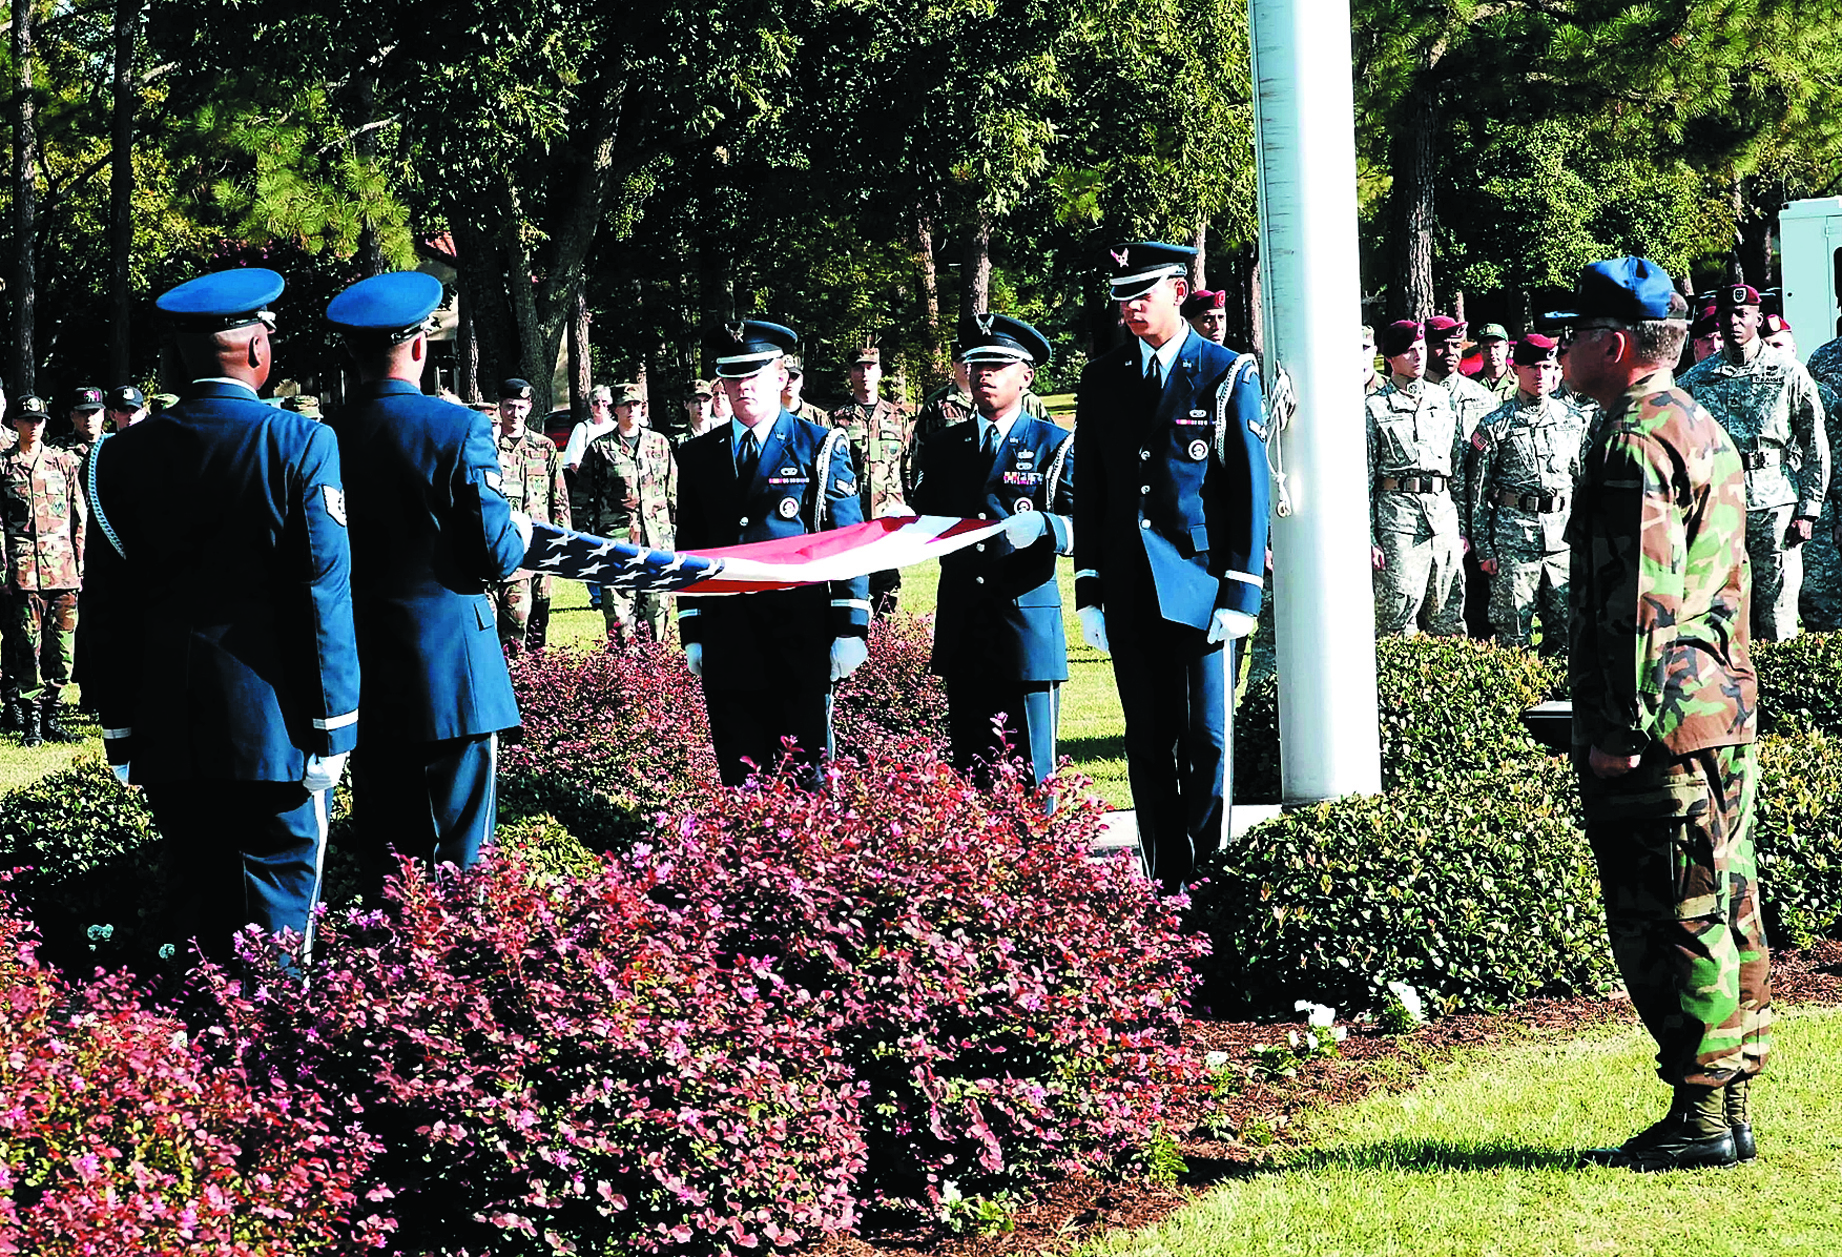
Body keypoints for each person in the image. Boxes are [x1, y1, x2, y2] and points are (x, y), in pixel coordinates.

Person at [83, 267, 359, 966]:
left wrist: (119, 729)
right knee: (277, 923)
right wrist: (335, 726)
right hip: (277, 727)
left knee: (194, 909)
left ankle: (191, 1036)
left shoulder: (116, 456)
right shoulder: (301, 443)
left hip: (167, 724)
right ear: (258, 349)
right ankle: (270, 1035)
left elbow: (107, 605)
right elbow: (322, 594)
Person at [1559, 256, 1768, 1173]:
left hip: (1663, 722)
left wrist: (1616, 730)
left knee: (1671, 911)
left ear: (1615, 344)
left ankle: (1703, 1114)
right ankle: (1729, 1102)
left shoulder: (1635, 440)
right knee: (1726, 900)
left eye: (1574, 333)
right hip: (1717, 704)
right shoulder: (1699, 422)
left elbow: (1638, 598)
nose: (1561, 349)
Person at [322, 270, 529, 896]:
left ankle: (384, 949)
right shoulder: (458, 428)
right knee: (462, 854)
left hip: (360, 662)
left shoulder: (321, 434)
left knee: (386, 846)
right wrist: (516, 529)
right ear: (419, 347)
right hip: (451, 668)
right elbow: (495, 554)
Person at [1072, 241, 1267, 894]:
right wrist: (1090, 587)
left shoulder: (1224, 372)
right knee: (1149, 742)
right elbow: (1092, 491)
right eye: (1122, 297)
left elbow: (1248, 489)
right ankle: (1165, 880)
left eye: (1143, 295)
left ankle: (1208, 872)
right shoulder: (1103, 378)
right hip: (1130, 587)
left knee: (1207, 738)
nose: (1131, 308)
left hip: (1202, 586)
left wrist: (1241, 591)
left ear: (1178, 293)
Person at [674, 319, 868, 787]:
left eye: (754, 374)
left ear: (781, 377)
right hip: (728, 634)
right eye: (732, 376)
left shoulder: (818, 446)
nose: (743, 387)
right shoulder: (699, 455)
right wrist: (692, 629)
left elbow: (846, 541)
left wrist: (850, 626)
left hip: (798, 631)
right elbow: (691, 545)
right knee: (739, 771)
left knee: (805, 771)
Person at [910, 313, 1073, 785]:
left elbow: (1087, 523)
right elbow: (925, 517)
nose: (984, 375)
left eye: (998, 365)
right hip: (964, 622)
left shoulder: (1054, 444)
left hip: (1025, 625)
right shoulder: (943, 446)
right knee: (971, 769)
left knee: (1033, 772)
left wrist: (1046, 525)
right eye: (976, 364)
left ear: (1026, 376)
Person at [1680, 282, 1829, 641]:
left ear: (1757, 319)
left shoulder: (1788, 373)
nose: (1734, 321)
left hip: (1774, 507)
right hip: (1717, 508)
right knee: (1722, 613)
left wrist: (1809, 511)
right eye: (1727, 315)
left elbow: (1815, 446)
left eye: (1742, 314)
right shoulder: (1696, 381)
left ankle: (1780, 675)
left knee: (1778, 612)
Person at [1464, 332, 1588, 652]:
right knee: (1512, 632)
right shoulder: (1495, 425)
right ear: (1516, 369)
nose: (1540, 374)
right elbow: (1478, 493)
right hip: (1514, 542)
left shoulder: (1572, 421)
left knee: (1566, 631)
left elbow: (1583, 484)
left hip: (1562, 541)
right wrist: (1484, 549)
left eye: (1546, 367)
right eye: (1532, 367)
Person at [1366, 319, 1465, 637]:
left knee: (1448, 612)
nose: (1418, 356)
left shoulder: (1443, 400)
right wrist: (1369, 537)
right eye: (1409, 351)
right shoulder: (1374, 407)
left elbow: (1458, 467)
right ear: (1390, 359)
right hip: (1399, 520)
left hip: (1443, 516)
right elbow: (1365, 480)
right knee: (1398, 612)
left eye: (1421, 348)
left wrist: (1462, 526)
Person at [1, 393, 86, 744]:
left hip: (62, 569)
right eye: (27, 420)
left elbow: (78, 516)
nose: (33, 425)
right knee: (26, 646)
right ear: (15, 423)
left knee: (62, 649)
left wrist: (80, 563)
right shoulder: (4, 466)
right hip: (23, 571)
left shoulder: (62, 462)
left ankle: (52, 714)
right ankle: (32, 721)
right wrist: (3, 570)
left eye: (39, 420)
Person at [581, 380, 677, 647]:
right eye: (625, 405)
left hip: (657, 539)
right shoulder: (600, 448)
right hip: (617, 541)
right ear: (615, 409)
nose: (631, 410)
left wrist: (677, 530)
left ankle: (654, 667)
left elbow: (672, 492)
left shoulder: (659, 443)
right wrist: (586, 539)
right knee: (619, 612)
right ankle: (624, 668)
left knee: (657, 607)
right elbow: (583, 498)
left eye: (636, 404)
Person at [1425, 315, 1499, 638]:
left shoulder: (1481, 397)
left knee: (1480, 608)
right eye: (1441, 346)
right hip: (1431, 518)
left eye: (1456, 345)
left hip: (1478, 517)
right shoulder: (1413, 397)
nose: (1450, 352)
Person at [490, 376, 570, 653]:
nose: (515, 413)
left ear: (530, 407)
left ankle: (536, 671)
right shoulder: (489, 446)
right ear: (500, 407)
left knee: (539, 616)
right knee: (510, 618)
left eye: (521, 407)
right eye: (510, 406)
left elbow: (559, 497)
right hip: (505, 543)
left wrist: (562, 540)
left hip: (540, 544)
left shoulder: (544, 447)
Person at [829, 344, 910, 616]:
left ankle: (885, 632)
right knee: (852, 576)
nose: (865, 373)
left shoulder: (899, 417)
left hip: (888, 511)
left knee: (887, 580)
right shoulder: (836, 419)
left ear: (880, 372)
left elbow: (908, 466)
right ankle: (854, 627)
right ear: (850, 374)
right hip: (851, 511)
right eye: (858, 368)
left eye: (870, 367)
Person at [56, 386, 107, 461]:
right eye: (83, 413)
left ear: (103, 414)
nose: (89, 418)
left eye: (94, 412)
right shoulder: (57, 449)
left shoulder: (116, 445)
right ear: (72, 416)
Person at [781, 356, 828, 424]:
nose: (789, 381)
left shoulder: (818, 417)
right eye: (784, 377)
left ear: (802, 380)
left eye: (794, 376)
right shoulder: (767, 416)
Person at [1475, 324, 1516, 399]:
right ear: (1480, 350)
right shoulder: (1471, 384)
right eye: (1486, 348)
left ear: (1507, 348)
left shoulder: (1520, 383)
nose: (1492, 352)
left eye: (1496, 347)